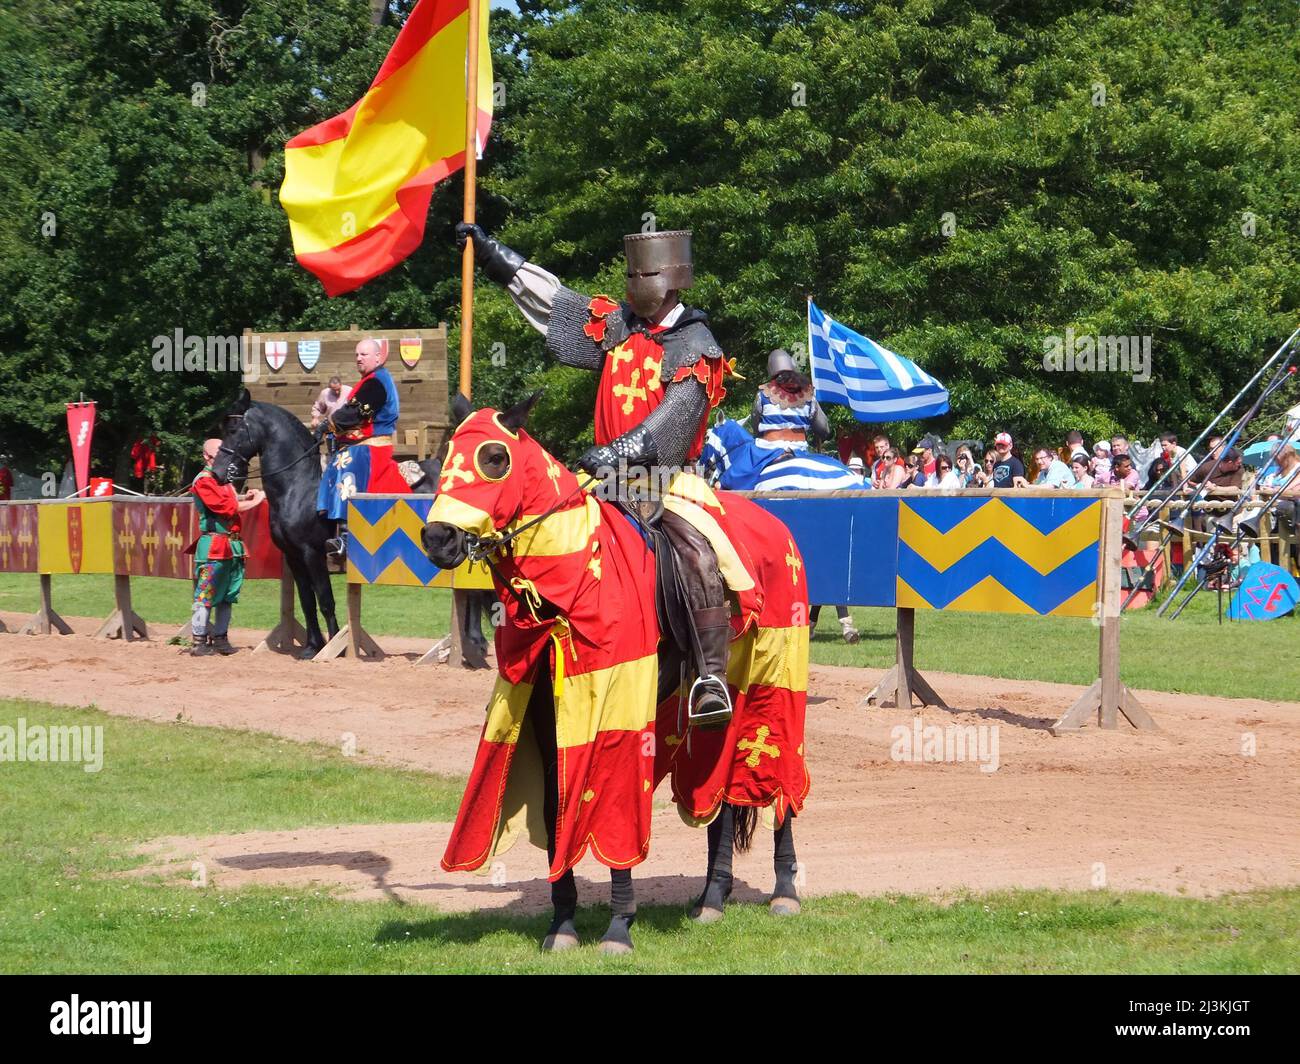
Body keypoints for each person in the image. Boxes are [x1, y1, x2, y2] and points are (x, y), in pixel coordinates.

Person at [458, 222, 738, 728]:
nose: (635, 282)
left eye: (645, 272)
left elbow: (674, 423)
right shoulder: (617, 325)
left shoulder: (697, 343)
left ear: (672, 278)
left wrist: (624, 451)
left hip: (667, 482)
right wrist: (492, 256)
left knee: (697, 552)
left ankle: (709, 677)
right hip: (606, 483)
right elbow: (554, 305)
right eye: (631, 272)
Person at [316, 340, 411, 556]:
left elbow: (355, 413)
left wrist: (327, 424)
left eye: (364, 354)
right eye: (357, 354)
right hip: (361, 443)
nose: (359, 358)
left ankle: (348, 536)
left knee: (344, 463)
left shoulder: (376, 382)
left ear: (378, 357)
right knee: (338, 458)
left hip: (372, 447)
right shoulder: (369, 380)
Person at [187, 439, 264, 656]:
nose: (224, 457)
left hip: (232, 546)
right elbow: (227, 508)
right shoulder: (203, 481)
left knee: (228, 595)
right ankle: (199, 641)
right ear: (206, 456)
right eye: (218, 453)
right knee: (205, 595)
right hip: (214, 546)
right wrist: (256, 501)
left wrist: (244, 496)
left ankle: (220, 638)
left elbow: (230, 500)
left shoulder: (222, 480)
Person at [752, 349, 828, 453]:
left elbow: (755, 426)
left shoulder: (763, 395)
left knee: (744, 467)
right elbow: (823, 428)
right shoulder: (809, 396)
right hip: (799, 450)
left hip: (768, 450)